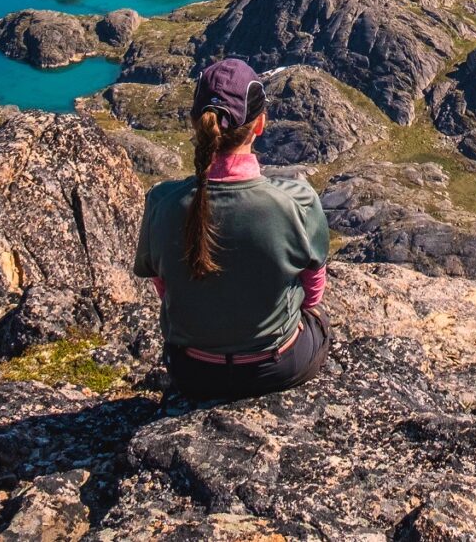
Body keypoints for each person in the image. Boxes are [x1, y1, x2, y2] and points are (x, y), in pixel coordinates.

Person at [133, 57, 332, 401]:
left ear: (196, 123)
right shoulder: (295, 201)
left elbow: (165, 289)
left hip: (192, 371)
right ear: (260, 125)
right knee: (320, 324)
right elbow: (313, 288)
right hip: (277, 366)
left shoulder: (162, 202)